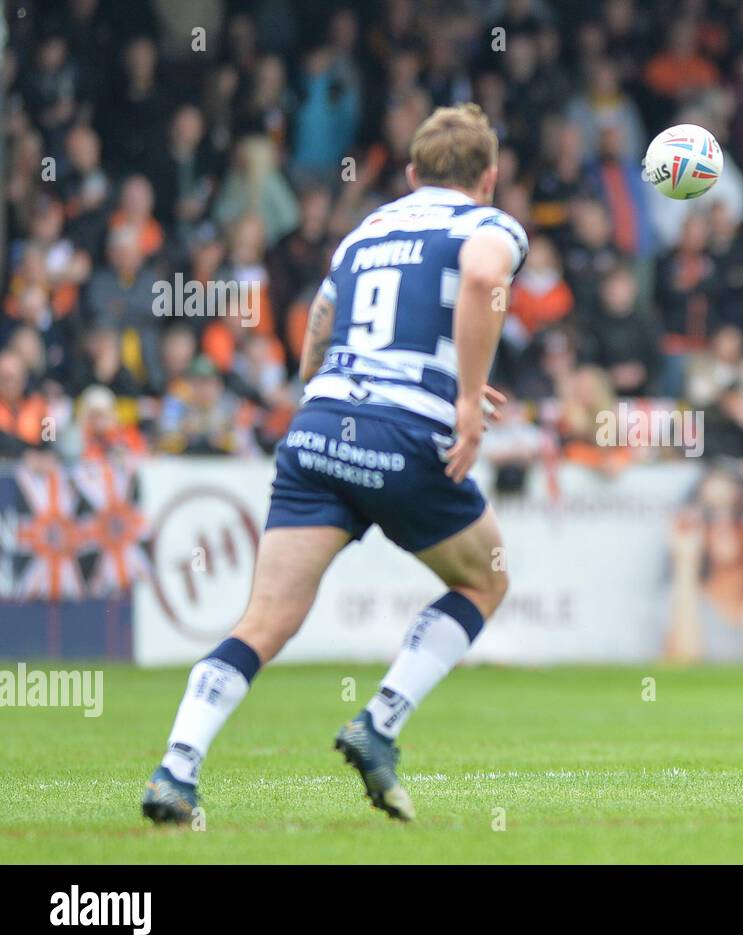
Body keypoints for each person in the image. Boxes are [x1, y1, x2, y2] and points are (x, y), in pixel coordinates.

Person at [142, 104, 528, 824]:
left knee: (263, 621)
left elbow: (320, 326)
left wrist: (340, 388)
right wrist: (466, 400)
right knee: (486, 577)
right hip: (405, 434)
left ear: (411, 174)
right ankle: (379, 722)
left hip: (319, 426)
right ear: (489, 178)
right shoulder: (490, 224)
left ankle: (176, 769)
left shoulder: (366, 231)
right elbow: (480, 281)